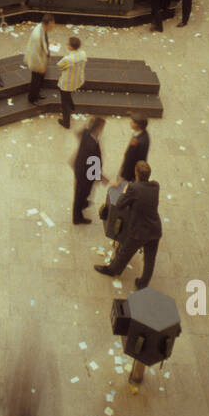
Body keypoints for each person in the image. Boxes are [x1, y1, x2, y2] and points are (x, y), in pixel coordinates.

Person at [93, 159, 162, 289]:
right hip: (155, 229)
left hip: (139, 230)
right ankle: (143, 283)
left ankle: (113, 270)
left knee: (124, 253)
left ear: (136, 174)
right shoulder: (155, 186)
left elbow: (120, 204)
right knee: (150, 259)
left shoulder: (133, 188)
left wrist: (125, 191)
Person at [73, 117, 105, 225]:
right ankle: (77, 217)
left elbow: (78, 133)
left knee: (84, 192)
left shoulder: (87, 132)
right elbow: (93, 163)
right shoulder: (91, 144)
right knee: (81, 193)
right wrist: (100, 177)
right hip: (85, 173)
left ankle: (83, 203)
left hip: (82, 169)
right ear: (98, 127)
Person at [56, 35, 87, 130]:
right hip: (77, 79)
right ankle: (72, 106)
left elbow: (59, 66)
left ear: (70, 47)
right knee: (68, 94)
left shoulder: (67, 59)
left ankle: (66, 122)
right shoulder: (83, 54)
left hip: (67, 82)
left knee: (64, 101)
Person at [24, 15, 53, 103]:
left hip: (42, 59)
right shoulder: (37, 35)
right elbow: (35, 54)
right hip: (37, 62)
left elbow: (43, 42)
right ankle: (32, 99)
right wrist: (41, 66)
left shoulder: (42, 28)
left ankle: (37, 94)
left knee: (40, 80)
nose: (52, 26)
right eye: (52, 24)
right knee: (35, 81)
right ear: (46, 24)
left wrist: (50, 43)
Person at [118, 117, 150, 183]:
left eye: (133, 122)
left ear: (138, 125)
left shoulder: (137, 141)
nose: (130, 123)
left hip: (131, 172)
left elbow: (129, 159)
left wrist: (123, 175)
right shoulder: (144, 134)